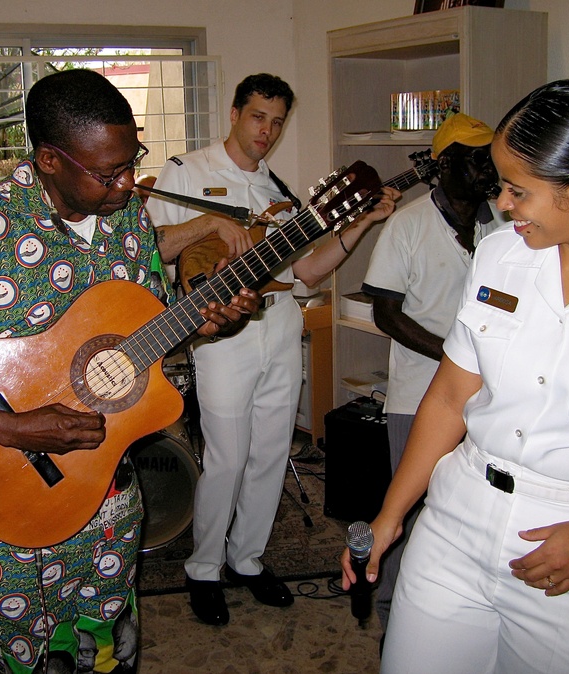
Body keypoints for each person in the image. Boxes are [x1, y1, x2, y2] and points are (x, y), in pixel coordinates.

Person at [0, 68, 259, 673]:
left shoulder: (128, 220)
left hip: (109, 497)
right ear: (49, 160)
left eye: (130, 161)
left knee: (108, 652)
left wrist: (208, 320)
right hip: (10, 504)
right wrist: (16, 430)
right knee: (25, 660)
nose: (125, 184)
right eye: (107, 172)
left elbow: (140, 337)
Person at [343, 79, 569, 674]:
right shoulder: (501, 257)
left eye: (519, 189)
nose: (504, 202)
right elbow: (449, 396)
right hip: (456, 523)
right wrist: (393, 512)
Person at [147, 73, 396, 626]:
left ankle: (248, 559)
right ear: (235, 112)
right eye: (259, 116)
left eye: (278, 121)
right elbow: (155, 252)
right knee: (228, 457)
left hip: (281, 327)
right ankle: (203, 568)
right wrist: (207, 223)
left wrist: (360, 224)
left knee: (269, 454)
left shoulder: (282, 193)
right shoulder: (186, 173)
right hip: (222, 337)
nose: (268, 131)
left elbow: (307, 268)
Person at [360, 112, 504, 633]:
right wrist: (456, 358)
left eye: (490, 156)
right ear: (443, 165)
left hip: (492, 399)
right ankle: (395, 615)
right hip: (420, 396)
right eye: (474, 158)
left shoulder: (504, 225)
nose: (486, 168)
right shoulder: (409, 225)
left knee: (466, 509)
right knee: (407, 509)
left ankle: (455, 613)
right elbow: (386, 312)